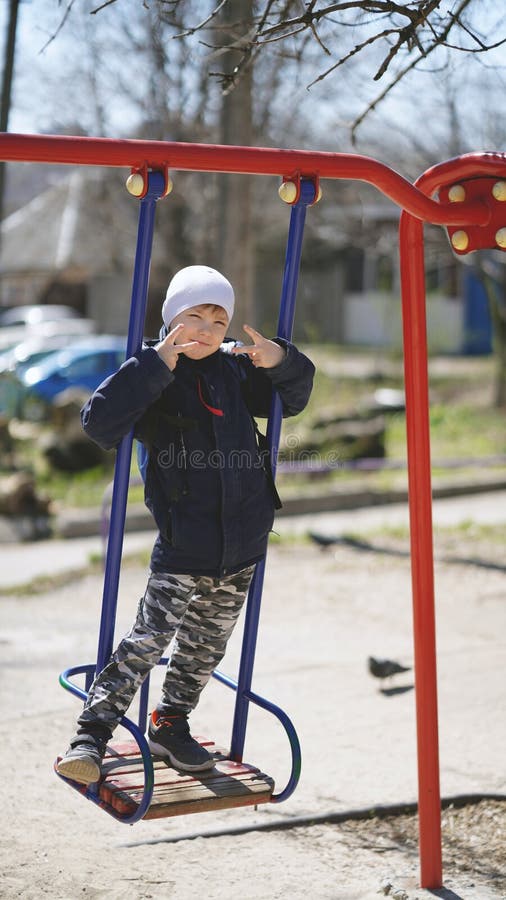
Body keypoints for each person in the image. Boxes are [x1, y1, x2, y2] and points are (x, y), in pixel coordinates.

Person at [56, 265, 314, 785]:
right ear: (171, 319)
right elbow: (99, 422)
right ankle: (91, 734)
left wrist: (281, 360)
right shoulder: (153, 373)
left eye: (218, 321)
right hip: (184, 540)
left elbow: (292, 400)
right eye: (193, 317)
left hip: (243, 541)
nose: (204, 330)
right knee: (148, 641)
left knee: (205, 645)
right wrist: (156, 364)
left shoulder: (238, 373)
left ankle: (170, 725)